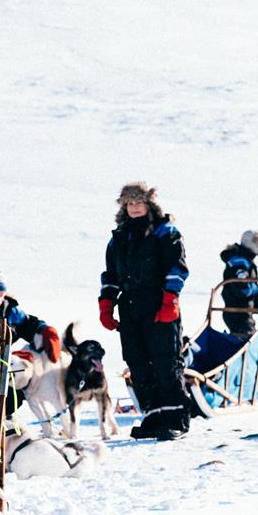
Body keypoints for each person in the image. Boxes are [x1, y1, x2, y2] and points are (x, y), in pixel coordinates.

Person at [98, 182, 190, 440]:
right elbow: (111, 274)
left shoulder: (166, 233)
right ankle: (152, 417)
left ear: (149, 205)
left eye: (139, 202)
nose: (135, 207)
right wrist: (106, 303)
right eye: (130, 203)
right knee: (137, 363)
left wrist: (170, 299)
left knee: (165, 362)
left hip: (160, 304)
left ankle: (176, 420)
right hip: (130, 307)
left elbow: (177, 269)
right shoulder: (119, 238)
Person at [219, 230, 258, 340]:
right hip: (239, 313)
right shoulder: (240, 262)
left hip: (241, 312)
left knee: (248, 337)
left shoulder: (242, 260)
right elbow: (242, 289)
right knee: (248, 340)